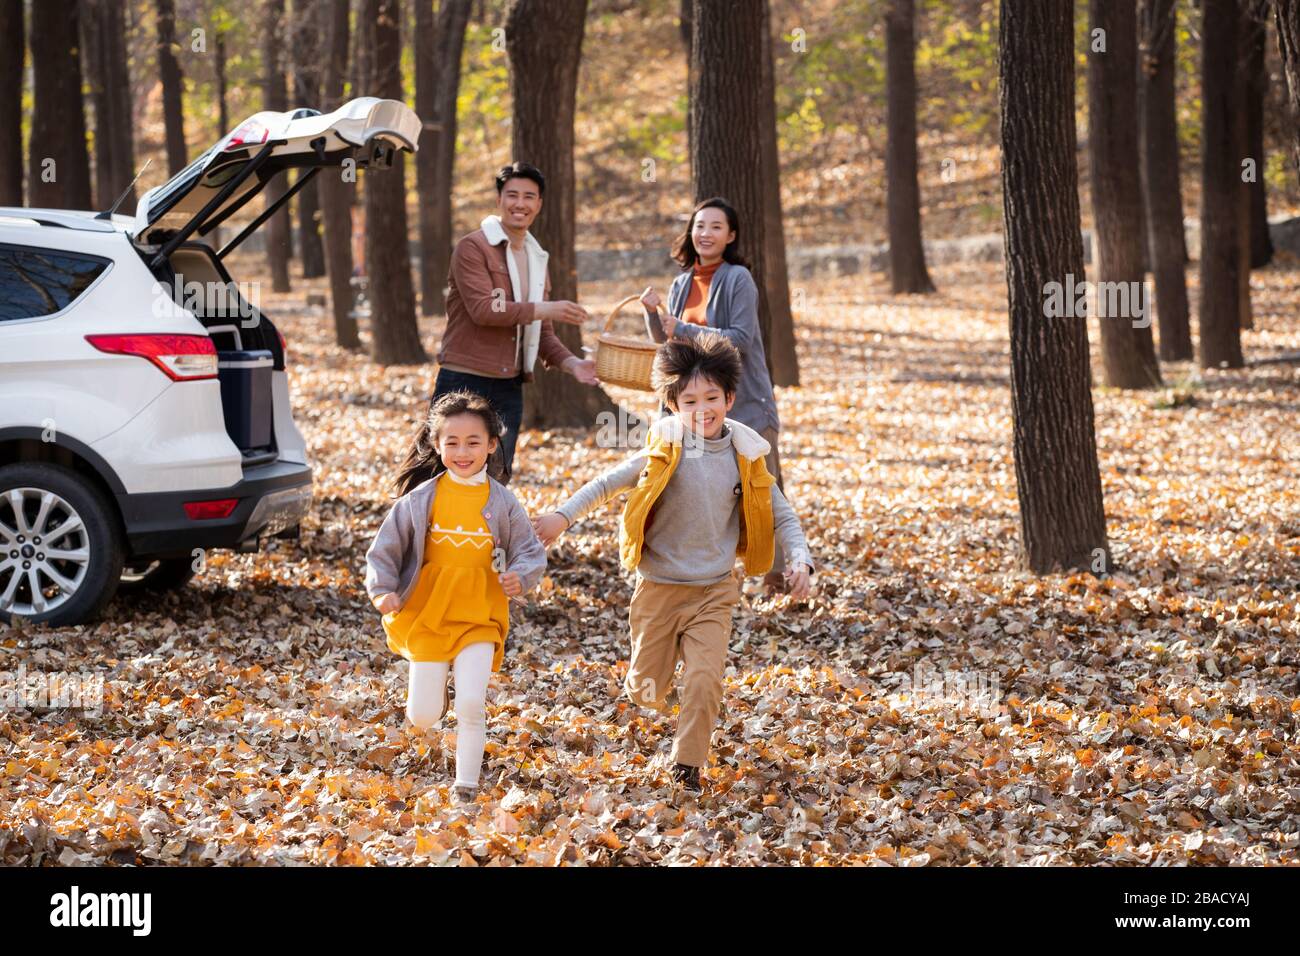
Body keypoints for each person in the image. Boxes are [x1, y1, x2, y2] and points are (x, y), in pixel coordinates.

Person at [531, 333, 814, 794]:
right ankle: (661, 694)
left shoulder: (747, 457)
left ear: (730, 398)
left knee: (705, 681)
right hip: (658, 588)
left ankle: (687, 766)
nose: (702, 409)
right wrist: (563, 516)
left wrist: (801, 559)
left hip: (714, 590)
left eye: (711, 398)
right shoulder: (665, 452)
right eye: (689, 400)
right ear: (673, 405)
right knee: (644, 690)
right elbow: (607, 483)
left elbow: (782, 513)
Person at [364, 391, 547, 803]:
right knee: (423, 715)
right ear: (436, 444)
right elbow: (384, 551)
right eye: (452, 442)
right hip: (429, 612)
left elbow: (530, 550)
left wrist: (519, 575)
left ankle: (466, 785)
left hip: (480, 613)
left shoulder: (502, 501)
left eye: (473, 442)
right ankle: (434, 693)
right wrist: (383, 590)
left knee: (471, 701)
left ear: (492, 445)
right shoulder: (419, 500)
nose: (463, 452)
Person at [638, 197, 791, 593]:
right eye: (699, 225)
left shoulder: (738, 278)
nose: (705, 233)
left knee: (761, 487)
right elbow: (667, 342)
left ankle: (777, 577)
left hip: (743, 402)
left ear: (731, 235)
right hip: (694, 407)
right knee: (694, 487)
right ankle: (697, 569)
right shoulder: (682, 282)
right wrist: (654, 315)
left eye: (716, 227)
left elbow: (740, 339)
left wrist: (682, 328)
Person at [433, 161, 599, 481]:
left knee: (496, 478)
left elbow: (541, 331)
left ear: (539, 204)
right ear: (499, 200)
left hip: (509, 386)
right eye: (512, 195)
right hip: (464, 381)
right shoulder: (474, 247)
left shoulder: (537, 257)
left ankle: (486, 534)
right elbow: (484, 309)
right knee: (445, 476)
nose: (519, 204)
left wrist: (572, 364)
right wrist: (544, 308)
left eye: (528, 196)